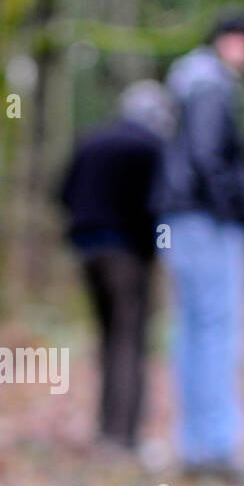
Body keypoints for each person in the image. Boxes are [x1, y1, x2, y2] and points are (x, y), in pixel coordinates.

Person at [154, 10, 244, 483]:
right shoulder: (212, 87)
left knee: (195, 332)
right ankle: (215, 447)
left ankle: (196, 446)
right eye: (237, 38)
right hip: (206, 223)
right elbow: (206, 156)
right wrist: (232, 209)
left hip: (180, 222)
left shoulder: (185, 82)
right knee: (219, 333)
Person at [60, 82, 171, 450]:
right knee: (130, 342)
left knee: (108, 340)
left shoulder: (91, 141)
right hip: (126, 255)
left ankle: (105, 429)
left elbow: (61, 192)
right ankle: (123, 439)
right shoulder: (152, 148)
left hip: (87, 252)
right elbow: (159, 206)